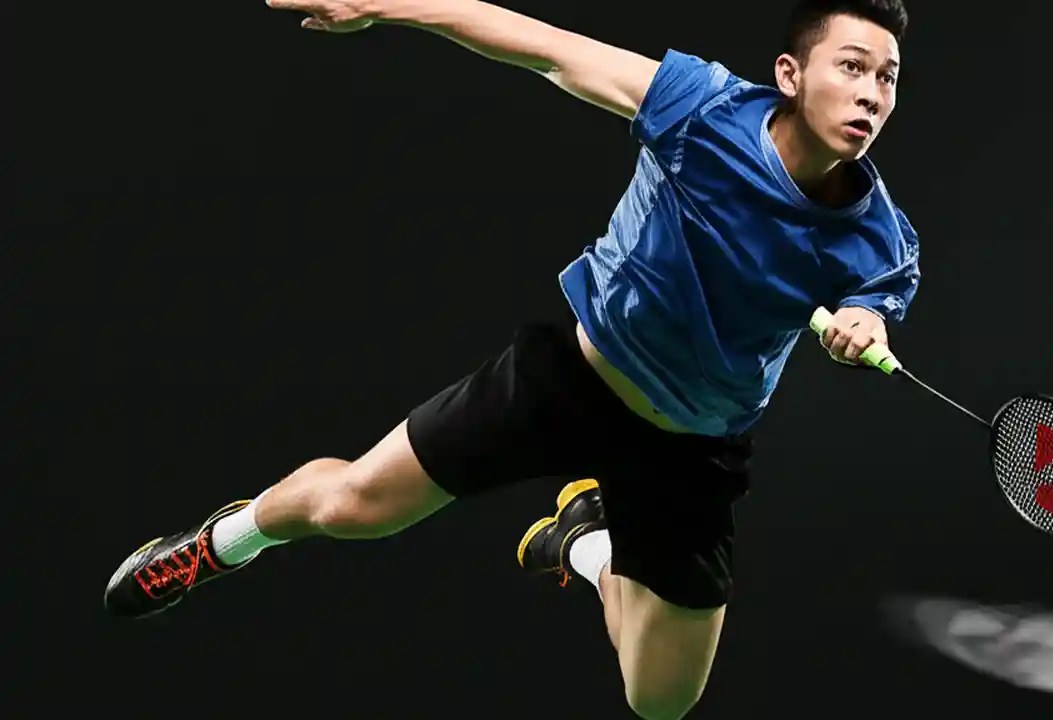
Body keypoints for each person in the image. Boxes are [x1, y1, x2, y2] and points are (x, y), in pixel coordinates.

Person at [102, 0, 920, 717]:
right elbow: (539, 44)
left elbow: (871, 307)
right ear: (789, 72)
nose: (870, 94)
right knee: (354, 506)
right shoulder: (700, 108)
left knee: (660, 700)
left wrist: (863, 330)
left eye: (886, 78)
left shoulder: (881, 237)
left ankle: (585, 544)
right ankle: (220, 544)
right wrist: (383, 5)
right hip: (570, 381)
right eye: (851, 66)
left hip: (693, 447)